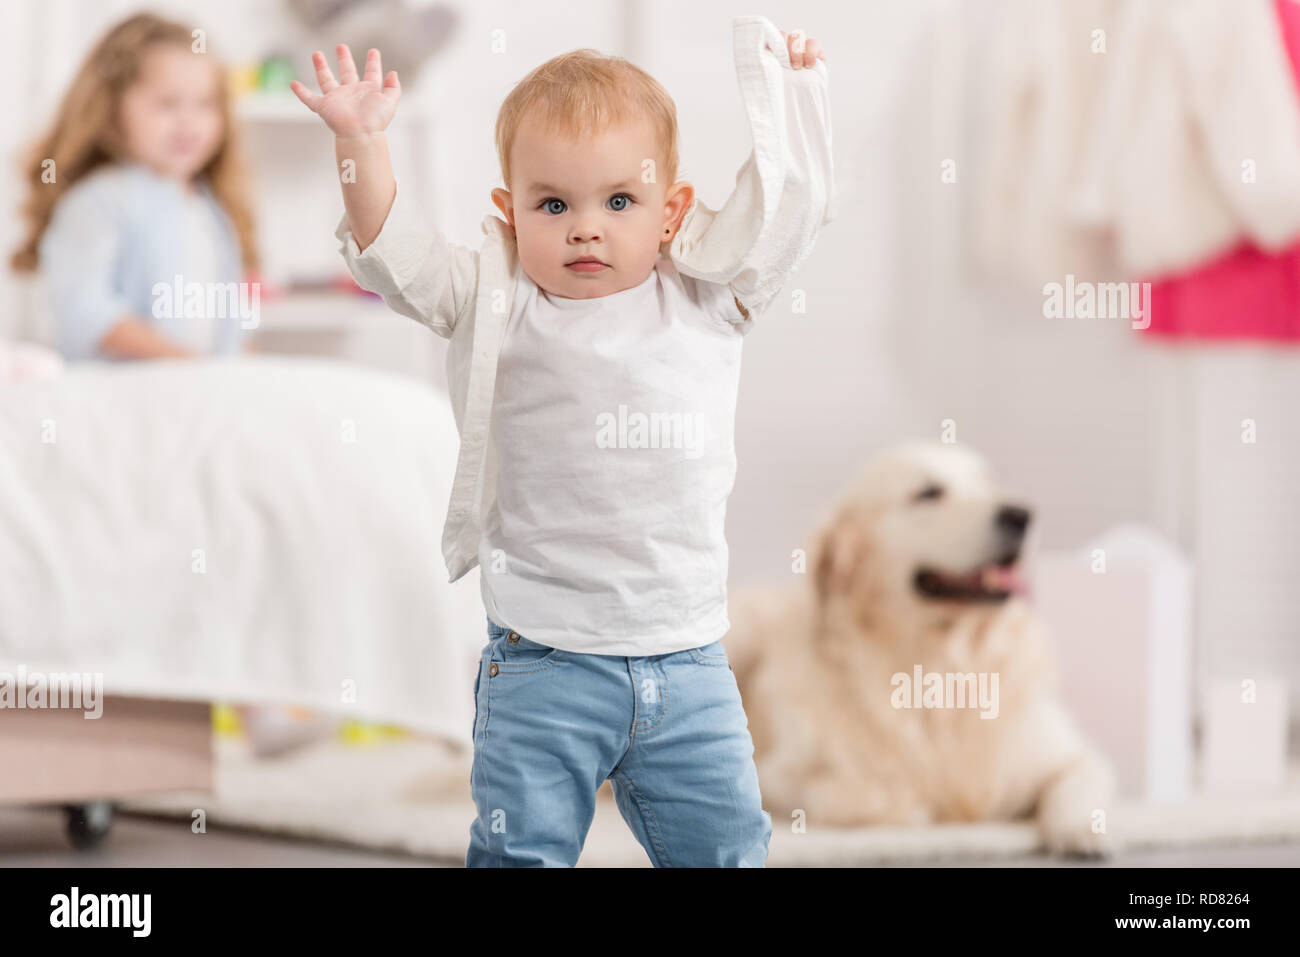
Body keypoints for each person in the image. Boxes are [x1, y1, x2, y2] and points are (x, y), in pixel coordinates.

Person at [291, 19, 833, 864]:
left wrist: (792, 99)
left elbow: (786, 217)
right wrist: (360, 141)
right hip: (543, 661)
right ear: (509, 214)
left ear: (670, 210)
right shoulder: (494, 297)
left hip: (685, 660)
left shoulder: (707, 296)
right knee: (522, 851)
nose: (586, 227)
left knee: (728, 848)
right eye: (554, 204)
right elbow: (391, 252)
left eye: (619, 201)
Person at [11, 12, 259, 360]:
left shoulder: (210, 208)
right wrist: (186, 364)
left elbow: (233, 319)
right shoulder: (99, 201)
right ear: (111, 110)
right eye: (167, 103)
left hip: (197, 398)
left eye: (205, 104)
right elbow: (84, 311)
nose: (189, 122)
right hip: (119, 399)